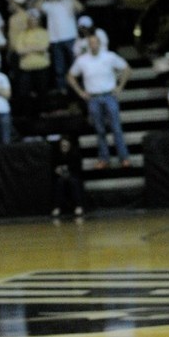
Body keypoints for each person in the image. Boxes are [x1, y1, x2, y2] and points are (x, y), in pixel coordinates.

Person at [67, 33, 132, 169]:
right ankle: (104, 158)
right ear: (88, 45)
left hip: (109, 96)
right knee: (99, 129)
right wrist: (80, 92)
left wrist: (120, 87)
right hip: (93, 98)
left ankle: (124, 157)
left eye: (95, 42)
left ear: (99, 43)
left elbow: (126, 69)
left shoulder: (109, 56)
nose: (93, 45)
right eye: (91, 43)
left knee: (116, 128)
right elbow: (70, 76)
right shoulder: (82, 60)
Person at [50, 136, 85, 225]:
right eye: (62, 146)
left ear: (69, 145)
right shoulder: (56, 155)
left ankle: (78, 206)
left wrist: (68, 170)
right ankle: (57, 207)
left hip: (73, 176)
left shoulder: (75, 154)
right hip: (60, 177)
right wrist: (57, 170)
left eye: (66, 146)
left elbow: (77, 168)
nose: (64, 148)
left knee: (73, 182)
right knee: (59, 183)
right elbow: (53, 168)